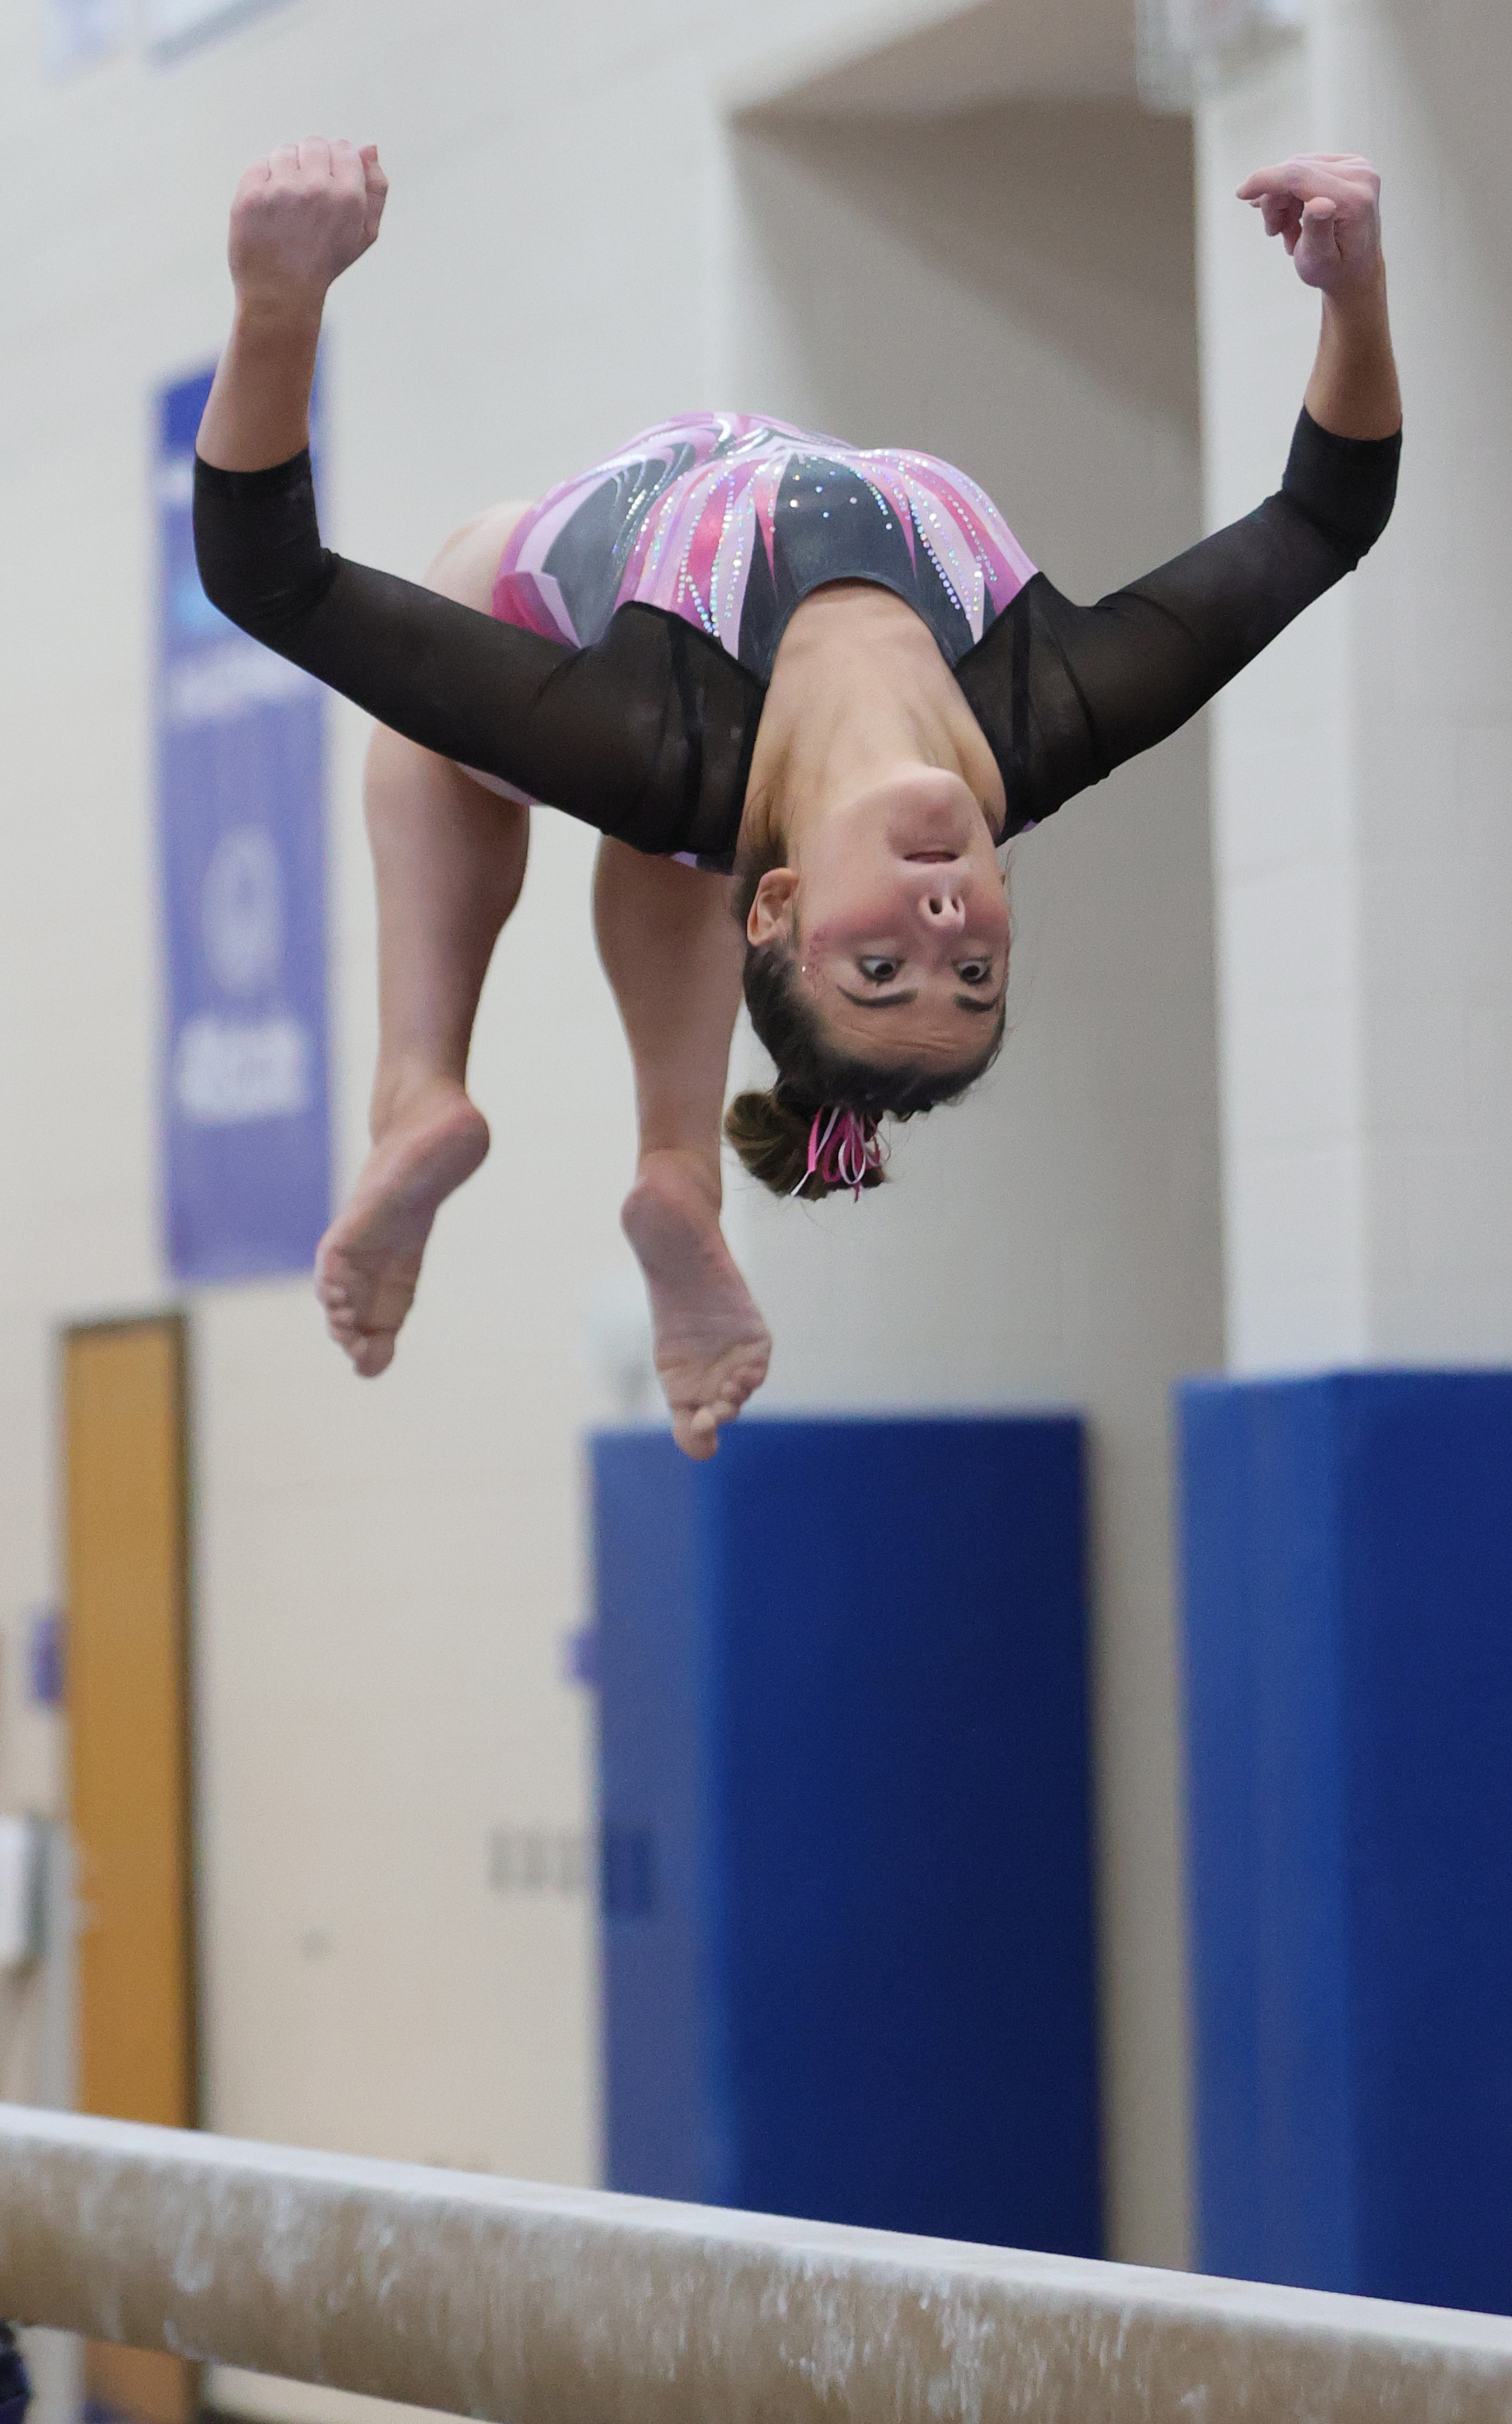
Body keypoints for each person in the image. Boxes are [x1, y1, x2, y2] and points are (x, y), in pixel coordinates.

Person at [194, 139, 1402, 1456]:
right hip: (711, 774)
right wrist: (1353, 289)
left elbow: (271, 577)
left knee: (474, 691)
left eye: (884, 965)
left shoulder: (647, 728)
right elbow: (1322, 520)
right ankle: (678, 1164)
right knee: (677, 832)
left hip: (602, 617)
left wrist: (277, 304)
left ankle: (418, 1089)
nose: (943, 925)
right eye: (976, 970)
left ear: (781, 909)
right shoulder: (1057, 711)